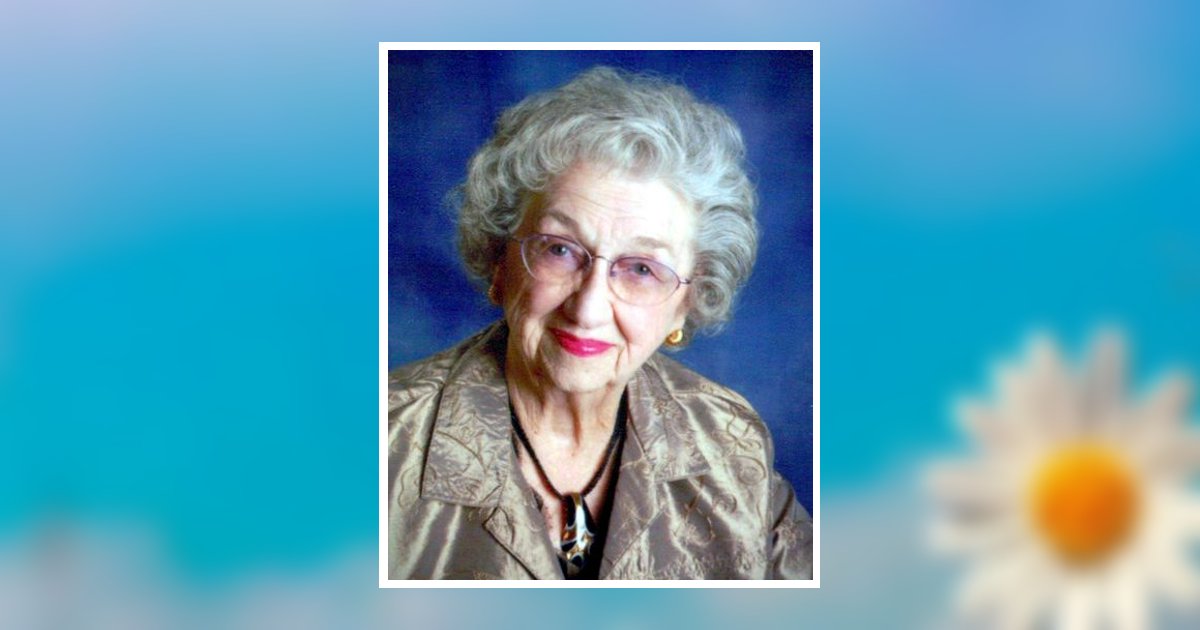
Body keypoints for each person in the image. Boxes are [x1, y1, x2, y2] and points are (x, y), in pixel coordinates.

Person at [387, 66, 812, 580]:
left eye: (641, 269)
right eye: (560, 250)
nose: (588, 308)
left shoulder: (728, 442)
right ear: (500, 262)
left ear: (687, 302)